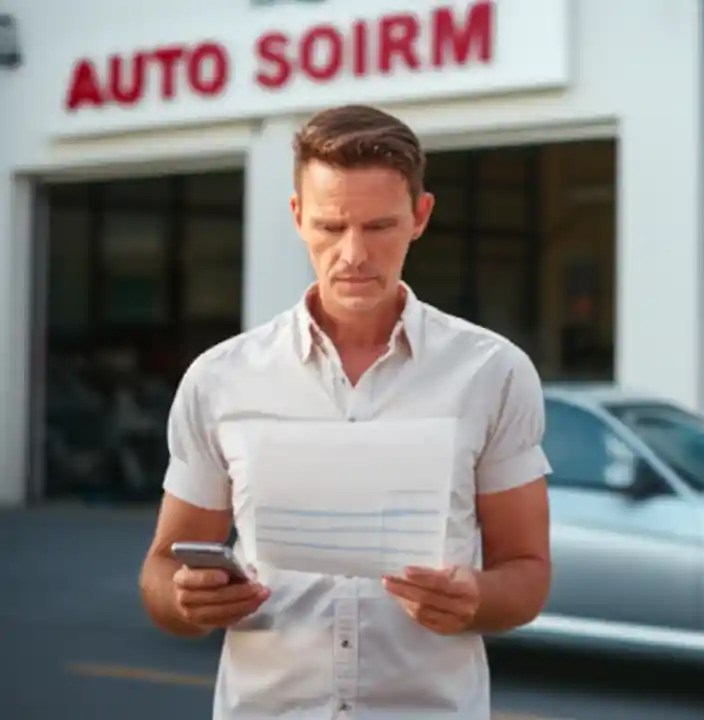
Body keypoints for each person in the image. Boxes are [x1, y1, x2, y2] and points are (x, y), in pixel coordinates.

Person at [138, 104, 553, 719]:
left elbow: (527, 574)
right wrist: (183, 601)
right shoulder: (219, 379)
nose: (353, 254)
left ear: (421, 217)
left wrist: (477, 598)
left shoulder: (493, 373)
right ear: (298, 217)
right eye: (331, 226)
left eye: (379, 226)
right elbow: (161, 571)